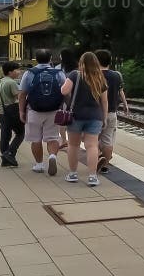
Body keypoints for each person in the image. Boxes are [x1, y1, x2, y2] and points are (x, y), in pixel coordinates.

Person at [60, 52, 108, 186]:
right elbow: (104, 101)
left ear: (81, 62)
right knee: (92, 146)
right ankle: (92, 177)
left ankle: (73, 174)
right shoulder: (100, 77)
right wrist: (104, 118)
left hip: (76, 115)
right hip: (95, 116)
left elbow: (63, 91)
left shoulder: (75, 75)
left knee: (73, 145)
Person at [19, 49, 66, 175]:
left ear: (36, 59)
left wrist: (21, 111)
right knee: (52, 137)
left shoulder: (29, 73)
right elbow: (65, 92)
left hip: (34, 111)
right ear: (50, 58)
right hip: (54, 110)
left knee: (36, 139)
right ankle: (52, 156)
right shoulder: (59, 73)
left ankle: (39, 164)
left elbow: (22, 94)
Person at [95, 49, 129, 174]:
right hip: (112, 112)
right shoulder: (116, 75)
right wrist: (125, 105)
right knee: (108, 139)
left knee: (93, 139)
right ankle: (105, 165)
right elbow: (121, 91)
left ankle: (97, 157)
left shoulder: (94, 75)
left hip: (96, 113)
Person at [0, 61, 24, 167]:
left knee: (5, 134)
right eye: (17, 69)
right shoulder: (11, 83)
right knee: (20, 133)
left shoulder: (0, 81)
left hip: (0, 111)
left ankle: (5, 158)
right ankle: (10, 153)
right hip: (11, 111)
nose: (19, 71)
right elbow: (19, 97)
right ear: (10, 72)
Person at [55, 49, 78, 150]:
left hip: (64, 96)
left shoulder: (59, 68)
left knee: (63, 118)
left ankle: (64, 140)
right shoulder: (78, 68)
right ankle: (74, 139)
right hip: (77, 96)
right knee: (76, 119)